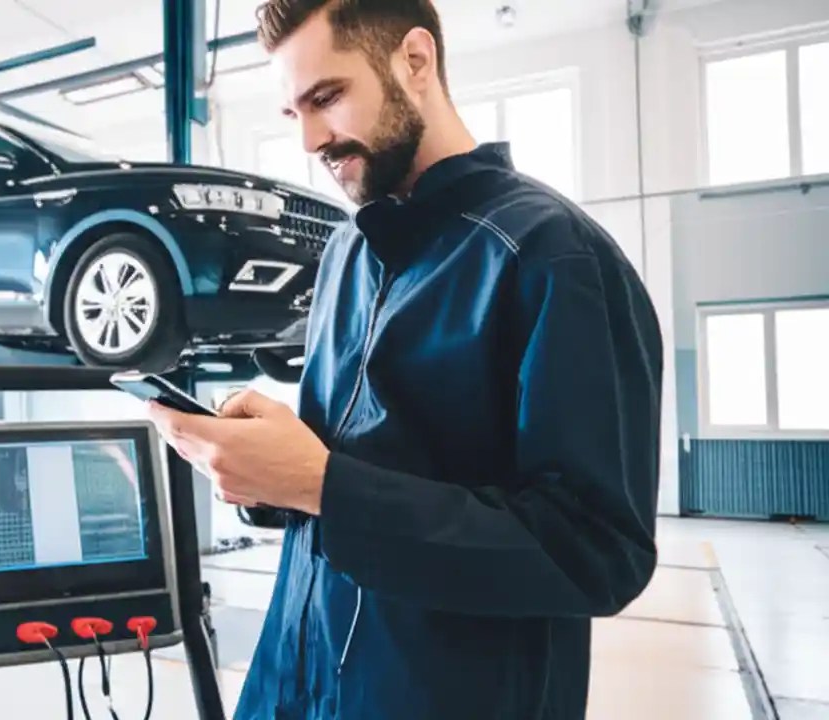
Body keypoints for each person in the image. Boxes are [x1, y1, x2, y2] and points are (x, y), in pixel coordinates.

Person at [144, 1, 665, 718]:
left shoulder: (553, 258)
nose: (311, 139)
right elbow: (351, 470)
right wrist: (272, 476)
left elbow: (597, 553)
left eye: (327, 97)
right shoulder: (345, 255)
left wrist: (325, 486)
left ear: (415, 61)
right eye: (295, 112)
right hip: (296, 687)